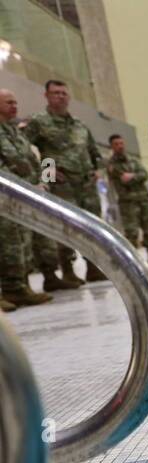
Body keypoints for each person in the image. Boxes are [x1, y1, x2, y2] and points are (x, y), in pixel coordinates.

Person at [22, 78, 109, 285]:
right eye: (56, 93)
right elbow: (23, 151)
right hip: (62, 185)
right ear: (47, 96)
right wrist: (47, 172)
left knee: (92, 227)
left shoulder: (80, 125)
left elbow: (95, 154)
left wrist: (98, 170)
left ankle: (93, 268)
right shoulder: (38, 121)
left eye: (64, 93)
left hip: (87, 185)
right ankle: (68, 271)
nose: (61, 97)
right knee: (65, 228)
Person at [0, 88, 54, 310]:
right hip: (6, 197)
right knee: (8, 244)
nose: (15, 106)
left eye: (15, 102)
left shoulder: (17, 133)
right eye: (9, 102)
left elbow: (36, 159)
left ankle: (20, 287)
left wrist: (44, 181)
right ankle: (12, 289)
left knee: (22, 242)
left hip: (27, 195)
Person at [105, 133, 148, 264]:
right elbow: (120, 178)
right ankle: (133, 259)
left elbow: (145, 174)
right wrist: (132, 177)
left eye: (121, 143)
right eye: (116, 144)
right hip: (127, 202)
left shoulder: (133, 160)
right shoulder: (111, 165)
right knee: (131, 231)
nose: (120, 146)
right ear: (111, 146)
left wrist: (133, 176)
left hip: (142, 198)